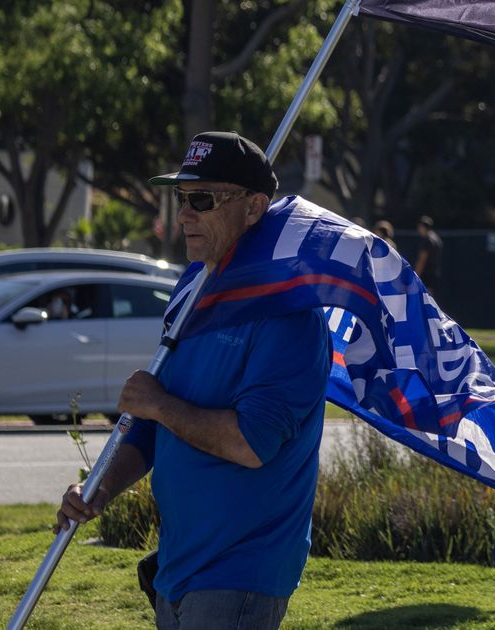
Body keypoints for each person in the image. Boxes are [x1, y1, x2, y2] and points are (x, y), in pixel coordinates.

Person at [55, 131, 329, 630]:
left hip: (242, 569)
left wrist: (159, 405)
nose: (184, 214)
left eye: (202, 200)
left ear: (253, 208)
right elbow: (152, 422)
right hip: (179, 563)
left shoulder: (288, 315)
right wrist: (100, 488)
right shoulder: (194, 285)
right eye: (181, 198)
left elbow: (251, 442)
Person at [414, 215, 443, 287]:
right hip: (434, 273)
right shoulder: (436, 238)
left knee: (426, 293)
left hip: (426, 275)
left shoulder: (427, 239)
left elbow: (422, 259)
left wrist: (415, 276)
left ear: (422, 227)